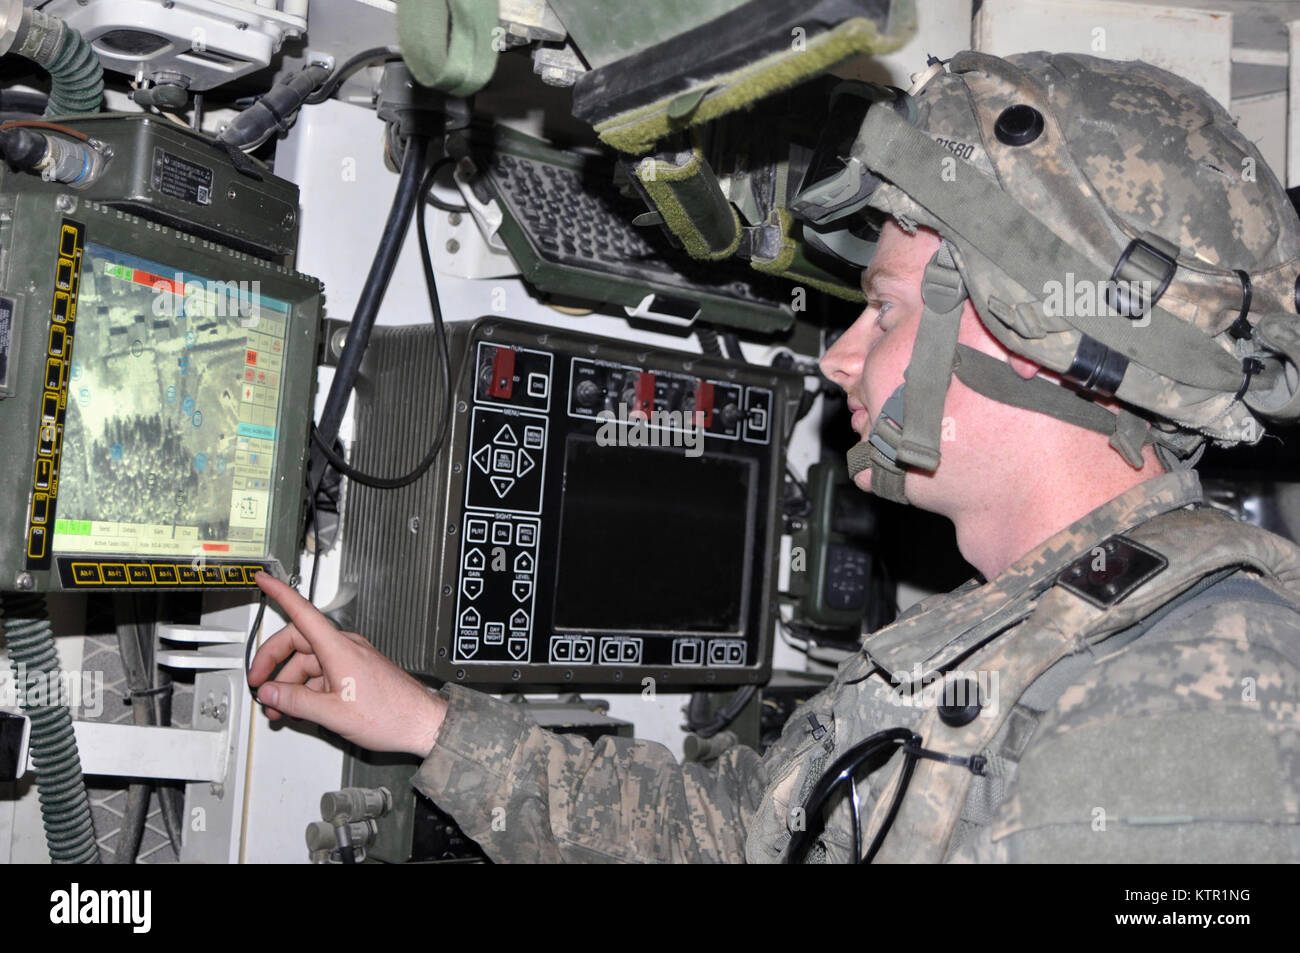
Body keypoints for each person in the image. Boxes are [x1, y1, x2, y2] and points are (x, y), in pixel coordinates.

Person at [249, 50, 1300, 862]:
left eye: (880, 313)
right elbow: (743, 839)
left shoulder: (1186, 700)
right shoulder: (1044, 636)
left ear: (1034, 339)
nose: (837, 358)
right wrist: (426, 724)